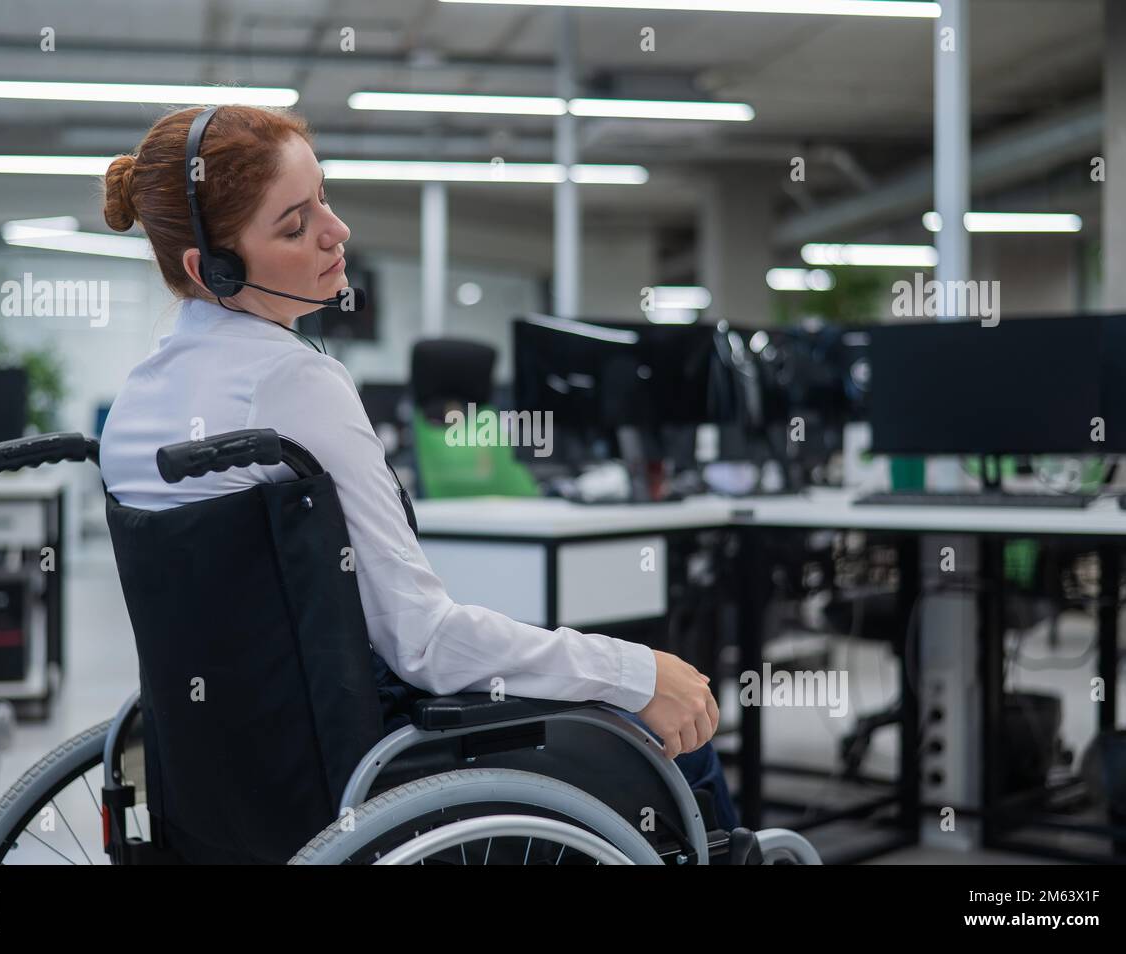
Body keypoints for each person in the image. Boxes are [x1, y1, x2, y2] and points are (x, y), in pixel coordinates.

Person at [98, 104, 737, 830]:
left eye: (324, 198)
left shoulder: (136, 404)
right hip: (359, 774)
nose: (337, 232)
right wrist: (635, 672)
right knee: (679, 750)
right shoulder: (293, 381)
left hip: (229, 788)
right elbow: (424, 641)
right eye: (294, 223)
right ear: (208, 268)